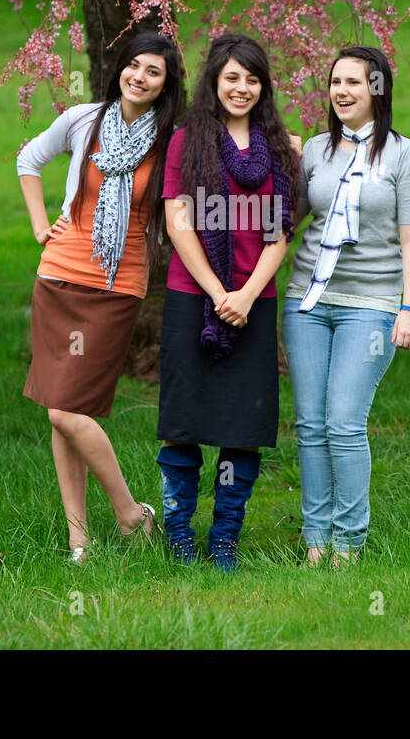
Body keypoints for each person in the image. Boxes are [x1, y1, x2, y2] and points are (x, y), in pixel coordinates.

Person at [17, 32, 185, 565]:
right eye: (133, 65)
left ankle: (132, 514)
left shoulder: (170, 139)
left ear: (165, 84)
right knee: (59, 413)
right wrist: (43, 225)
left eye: (153, 71)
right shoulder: (84, 120)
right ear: (119, 69)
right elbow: (28, 158)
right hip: (60, 274)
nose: (139, 76)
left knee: (68, 411)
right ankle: (78, 540)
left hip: (116, 284)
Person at [156, 34, 300, 572]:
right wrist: (219, 294)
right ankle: (179, 536)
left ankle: (223, 542)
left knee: (244, 426)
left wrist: (245, 294)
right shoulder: (186, 142)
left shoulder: (281, 148)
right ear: (214, 81)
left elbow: (280, 231)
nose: (242, 88)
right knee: (184, 419)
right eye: (232, 77)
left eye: (252, 79)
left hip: (255, 301)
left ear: (264, 86)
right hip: (192, 296)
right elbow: (179, 220)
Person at [282, 46, 410, 568]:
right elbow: (286, 222)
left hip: (371, 303)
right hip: (307, 300)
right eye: (335, 82)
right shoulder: (316, 151)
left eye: (355, 83)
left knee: (344, 422)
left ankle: (348, 542)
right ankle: (316, 541)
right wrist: (275, 155)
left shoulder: (405, 156)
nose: (342, 91)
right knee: (311, 424)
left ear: (378, 91)